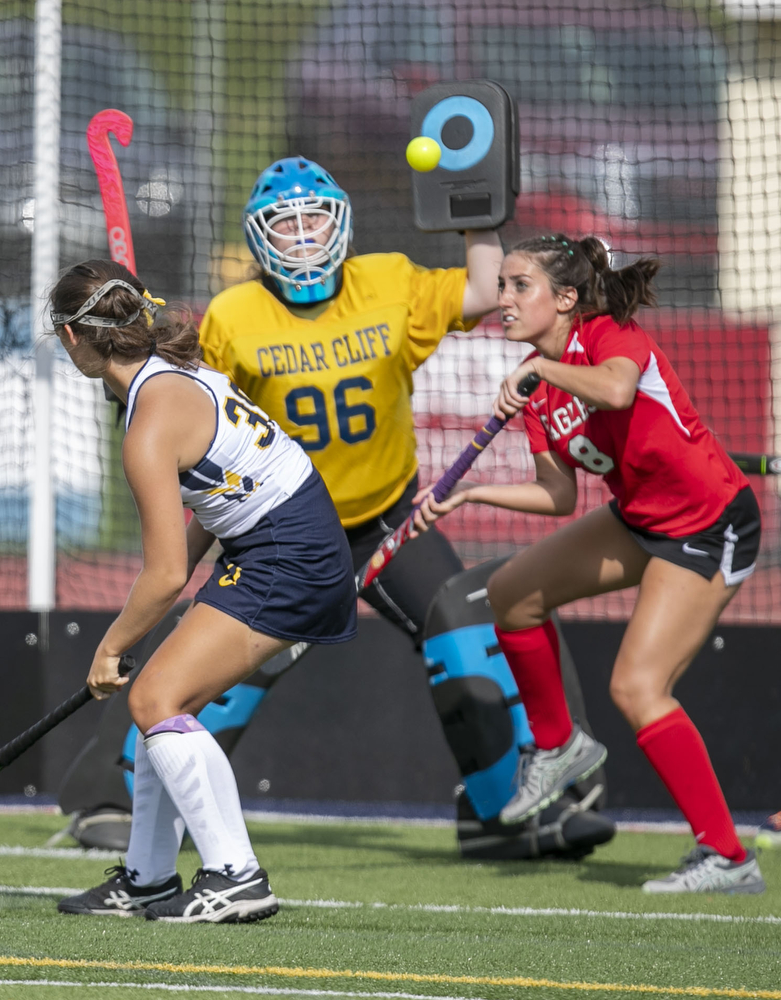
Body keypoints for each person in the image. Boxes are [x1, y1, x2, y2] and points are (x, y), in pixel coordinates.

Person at [57, 156, 609, 860]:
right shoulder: (234, 315)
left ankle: (506, 809)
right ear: (257, 239)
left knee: (467, 629)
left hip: (385, 515)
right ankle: (117, 799)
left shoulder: (389, 282)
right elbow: (193, 416)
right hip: (275, 533)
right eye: (283, 223)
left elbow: (480, 287)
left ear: (341, 222)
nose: (302, 235)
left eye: (313, 217)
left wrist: (476, 209)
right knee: (210, 671)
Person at [414, 233, 766, 894]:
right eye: (504, 286)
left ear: (567, 298)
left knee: (637, 687)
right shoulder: (539, 390)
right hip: (640, 520)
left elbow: (617, 392)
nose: (504, 299)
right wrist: (468, 493)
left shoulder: (610, 336)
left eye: (521, 286)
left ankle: (727, 856)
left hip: (708, 525)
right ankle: (556, 746)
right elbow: (558, 496)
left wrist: (539, 372)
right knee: (512, 591)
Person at [49, 258, 357, 922]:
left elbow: (161, 575)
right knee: (163, 696)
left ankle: (236, 877)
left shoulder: (148, 425)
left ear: (73, 337)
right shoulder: (172, 371)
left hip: (288, 554)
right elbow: (207, 515)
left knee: (156, 695)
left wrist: (110, 646)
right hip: (276, 543)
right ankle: (149, 879)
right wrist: (160, 618)